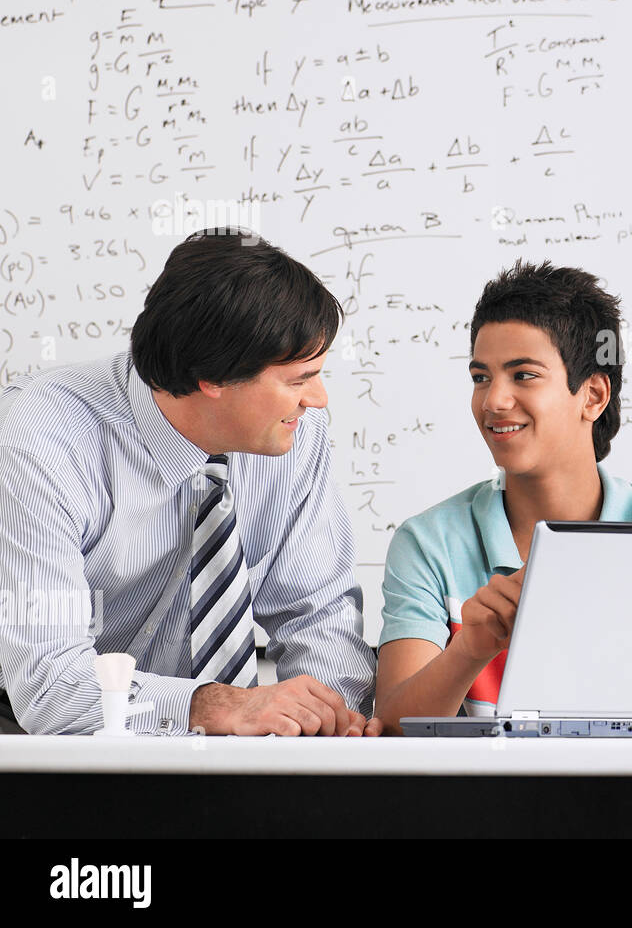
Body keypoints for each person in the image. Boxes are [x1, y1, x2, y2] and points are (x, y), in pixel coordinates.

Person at [375, 261, 632, 736]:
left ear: (592, 395)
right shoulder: (429, 543)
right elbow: (392, 729)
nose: (493, 401)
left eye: (523, 375)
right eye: (481, 377)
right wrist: (469, 650)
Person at [0, 229, 380, 736]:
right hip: (31, 735)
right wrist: (213, 706)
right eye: (299, 379)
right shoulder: (42, 437)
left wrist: (331, 722)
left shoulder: (294, 433)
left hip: (205, 742)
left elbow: (317, 615)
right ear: (213, 377)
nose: (318, 399)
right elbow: (47, 685)